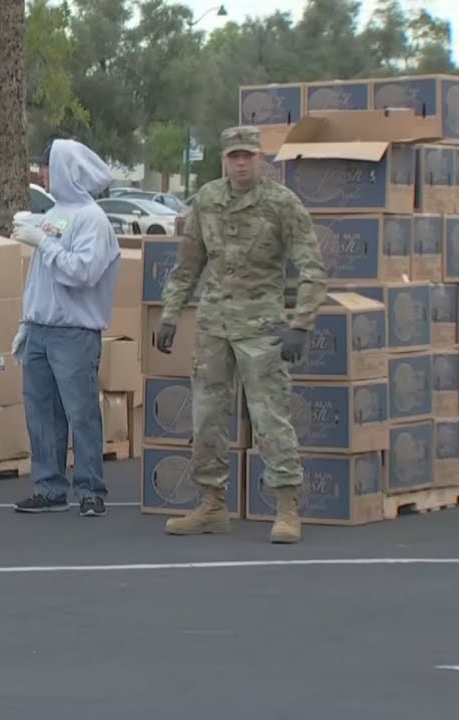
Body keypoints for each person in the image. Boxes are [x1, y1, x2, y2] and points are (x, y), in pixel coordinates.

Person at [155, 125, 327, 544]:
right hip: (214, 324)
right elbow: (189, 263)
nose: (241, 163)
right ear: (224, 160)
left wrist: (301, 324)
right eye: (234, 156)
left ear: (261, 158)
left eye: (248, 155)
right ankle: (213, 503)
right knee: (207, 418)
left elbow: (312, 267)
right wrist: (170, 315)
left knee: (270, 417)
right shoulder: (208, 200)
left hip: (261, 326)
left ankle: (287, 507)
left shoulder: (281, 204)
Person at [8, 139, 122, 518]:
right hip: (42, 327)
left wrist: (43, 242)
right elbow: (39, 278)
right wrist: (27, 320)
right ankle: (49, 486)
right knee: (41, 413)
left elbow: (83, 272)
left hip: (74, 332)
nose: (42, 173)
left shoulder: (93, 220)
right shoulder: (57, 213)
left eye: (48, 166)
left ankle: (91, 489)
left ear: (67, 171)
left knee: (80, 412)